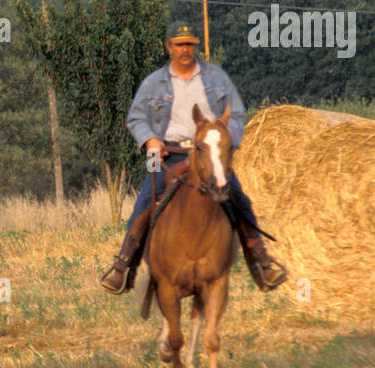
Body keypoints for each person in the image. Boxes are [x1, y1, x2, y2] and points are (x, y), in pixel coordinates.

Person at [99, 22, 286, 294]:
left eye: (189, 44)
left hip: (209, 153)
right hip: (168, 154)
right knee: (145, 201)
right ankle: (123, 266)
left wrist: (224, 142)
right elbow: (136, 117)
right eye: (179, 44)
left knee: (239, 198)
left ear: (195, 46)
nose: (185, 50)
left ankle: (261, 263)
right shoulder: (154, 82)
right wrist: (150, 139)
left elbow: (236, 116)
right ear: (169, 47)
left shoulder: (217, 79)